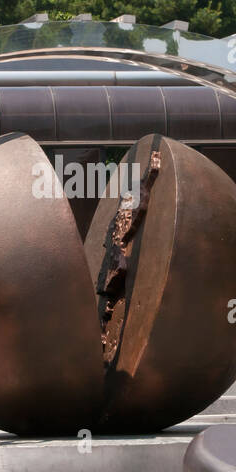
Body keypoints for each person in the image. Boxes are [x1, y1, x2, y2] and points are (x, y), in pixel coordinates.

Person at [98, 149, 162, 362]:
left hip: (115, 265)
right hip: (112, 266)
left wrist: (151, 175)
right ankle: (104, 342)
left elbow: (136, 209)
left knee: (110, 296)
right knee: (107, 302)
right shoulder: (119, 221)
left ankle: (105, 340)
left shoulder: (126, 215)